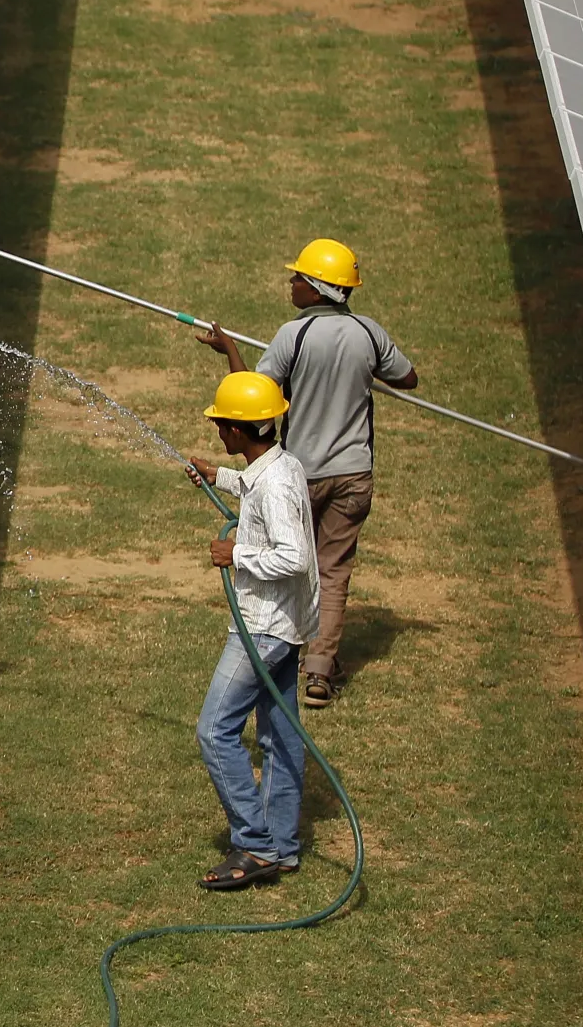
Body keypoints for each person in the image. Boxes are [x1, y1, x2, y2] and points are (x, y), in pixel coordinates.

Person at [195, 237, 415, 708]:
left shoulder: (292, 336)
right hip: (354, 474)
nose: (291, 282)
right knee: (332, 571)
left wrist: (230, 349)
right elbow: (408, 377)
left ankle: (283, 648)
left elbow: (255, 396)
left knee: (293, 561)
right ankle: (318, 671)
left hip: (299, 474)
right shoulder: (368, 334)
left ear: (317, 289)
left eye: (297, 277)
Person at [185, 370, 319, 890]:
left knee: (214, 731)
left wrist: (234, 554)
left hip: (261, 631)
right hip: (287, 629)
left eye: (222, 425)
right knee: (280, 736)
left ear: (240, 430)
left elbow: (295, 556)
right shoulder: (279, 465)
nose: (219, 431)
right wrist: (217, 475)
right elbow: (254, 486)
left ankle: (256, 844)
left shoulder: (277, 486)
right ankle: (282, 847)